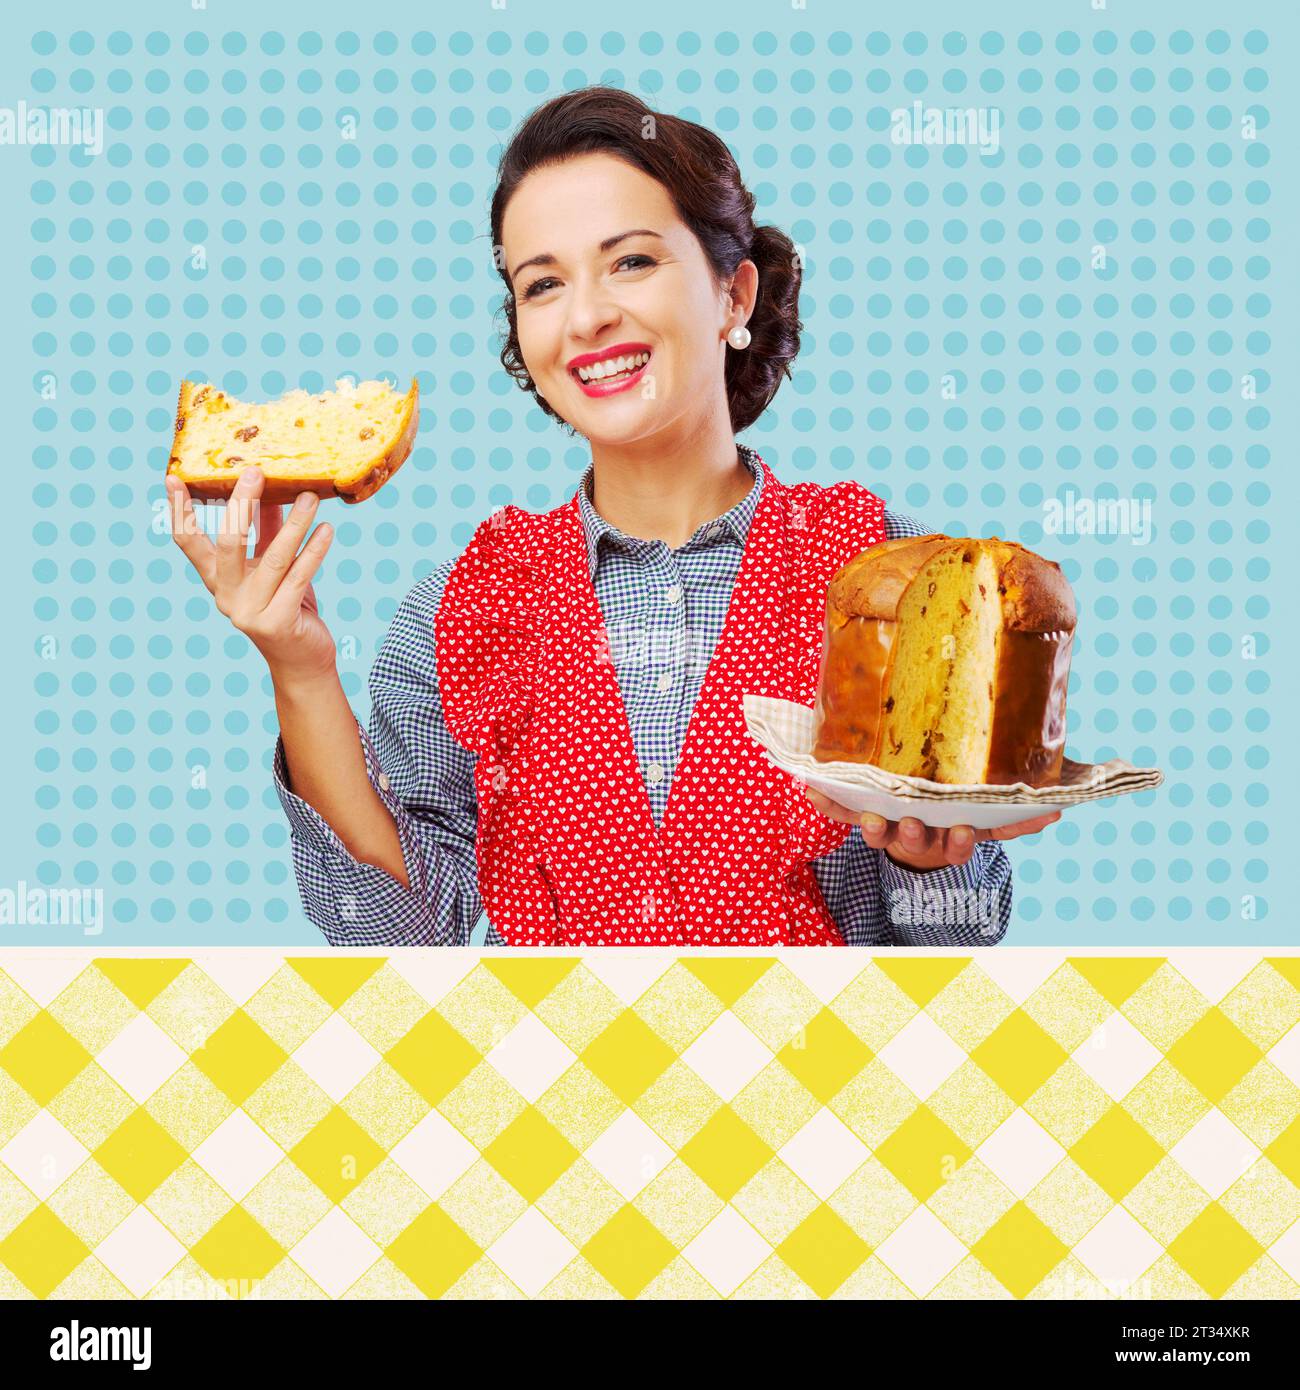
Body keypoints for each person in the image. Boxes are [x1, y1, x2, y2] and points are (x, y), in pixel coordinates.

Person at [167, 86, 1059, 947]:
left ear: (733, 296)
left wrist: (932, 863)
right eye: (542, 285)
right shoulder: (467, 600)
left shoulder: (889, 572)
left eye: (631, 261)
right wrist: (301, 670)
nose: (587, 316)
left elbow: (958, 942)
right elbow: (401, 935)